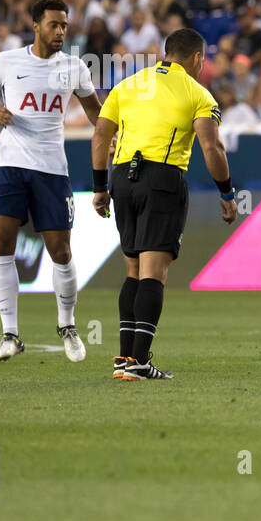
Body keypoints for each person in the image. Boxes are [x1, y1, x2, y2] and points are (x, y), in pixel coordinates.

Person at [91, 29, 238, 381]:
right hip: (163, 180)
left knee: (133, 270)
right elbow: (212, 148)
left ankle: (125, 359)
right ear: (197, 58)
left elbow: (100, 134)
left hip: (122, 178)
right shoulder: (198, 94)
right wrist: (227, 193)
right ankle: (140, 363)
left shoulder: (127, 85)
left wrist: (100, 187)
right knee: (154, 273)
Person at [0, 0, 103, 363]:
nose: (60, 31)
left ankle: (67, 325)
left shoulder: (75, 67)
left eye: (65, 25)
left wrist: (116, 136)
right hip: (9, 164)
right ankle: (10, 334)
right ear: (36, 25)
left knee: (60, 250)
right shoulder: (5, 62)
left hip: (51, 168)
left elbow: (97, 115)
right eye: (54, 24)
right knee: (1, 242)